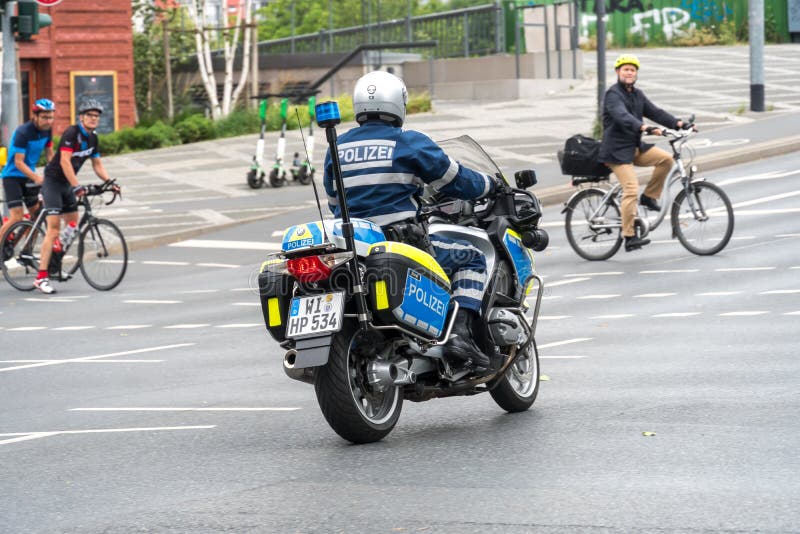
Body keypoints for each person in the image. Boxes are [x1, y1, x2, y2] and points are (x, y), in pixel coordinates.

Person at [323, 70, 497, 373]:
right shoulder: (408, 143)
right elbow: (457, 180)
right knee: (471, 258)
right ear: (398, 104)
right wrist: (490, 185)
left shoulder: (335, 148)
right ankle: (459, 336)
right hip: (400, 243)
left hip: (353, 249)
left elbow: (335, 203)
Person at [599, 54, 694, 252]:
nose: (629, 73)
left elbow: (656, 112)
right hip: (616, 152)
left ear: (636, 74)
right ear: (618, 72)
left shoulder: (637, 94)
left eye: (632, 70)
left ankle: (650, 197)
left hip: (634, 148)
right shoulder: (612, 95)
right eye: (625, 69)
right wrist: (644, 128)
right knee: (631, 189)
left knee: (666, 160)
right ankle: (629, 235)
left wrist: (679, 123)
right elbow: (622, 117)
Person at [35, 99, 119, 294]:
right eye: (89, 115)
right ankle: (41, 277)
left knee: (72, 225)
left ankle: (56, 259)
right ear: (81, 117)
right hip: (53, 182)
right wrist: (77, 186)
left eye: (96, 116)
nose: (93, 119)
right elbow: (65, 162)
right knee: (54, 229)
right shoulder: (72, 134)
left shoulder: (93, 138)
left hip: (67, 185)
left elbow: (97, 165)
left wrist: (110, 183)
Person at [1, 99, 56, 257]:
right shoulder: (23, 132)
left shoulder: (48, 130)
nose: (48, 121)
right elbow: (18, 162)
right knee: (17, 217)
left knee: (37, 214)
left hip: (28, 176)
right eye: (45, 117)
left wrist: (55, 174)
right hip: (12, 176)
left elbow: (49, 154)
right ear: (35, 116)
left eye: (51, 117)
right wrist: (37, 178)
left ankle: (26, 251)